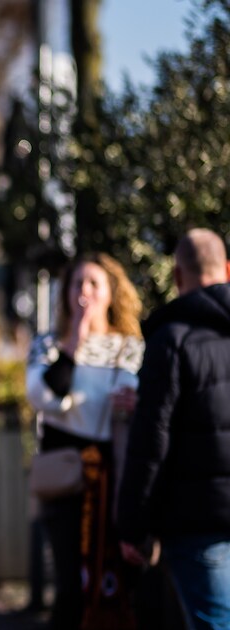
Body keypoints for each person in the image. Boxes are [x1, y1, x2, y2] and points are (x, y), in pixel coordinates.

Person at [118, 228, 230, 630]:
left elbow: (151, 440)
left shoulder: (172, 339)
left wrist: (132, 524)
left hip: (198, 521)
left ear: (178, 277)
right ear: (228, 270)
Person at [25, 252, 145, 630]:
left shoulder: (128, 347)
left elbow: (138, 401)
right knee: (69, 586)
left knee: (114, 580)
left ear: (111, 293)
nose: (85, 292)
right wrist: (75, 340)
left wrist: (136, 403)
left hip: (114, 480)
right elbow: (45, 398)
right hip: (66, 478)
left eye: (94, 283)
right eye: (78, 284)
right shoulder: (48, 344)